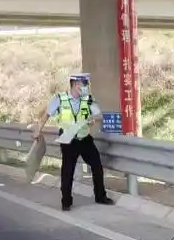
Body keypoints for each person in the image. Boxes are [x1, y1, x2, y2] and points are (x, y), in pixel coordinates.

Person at [32, 73, 114, 211]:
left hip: (84, 138)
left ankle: (100, 196)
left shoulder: (88, 99)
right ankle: (66, 201)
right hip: (68, 139)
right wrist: (38, 130)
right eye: (84, 84)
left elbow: (96, 116)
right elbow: (46, 115)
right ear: (76, 85)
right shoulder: (60, 99)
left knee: (97, 166)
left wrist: (92, 121)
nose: (86, 87)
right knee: (68, 170)